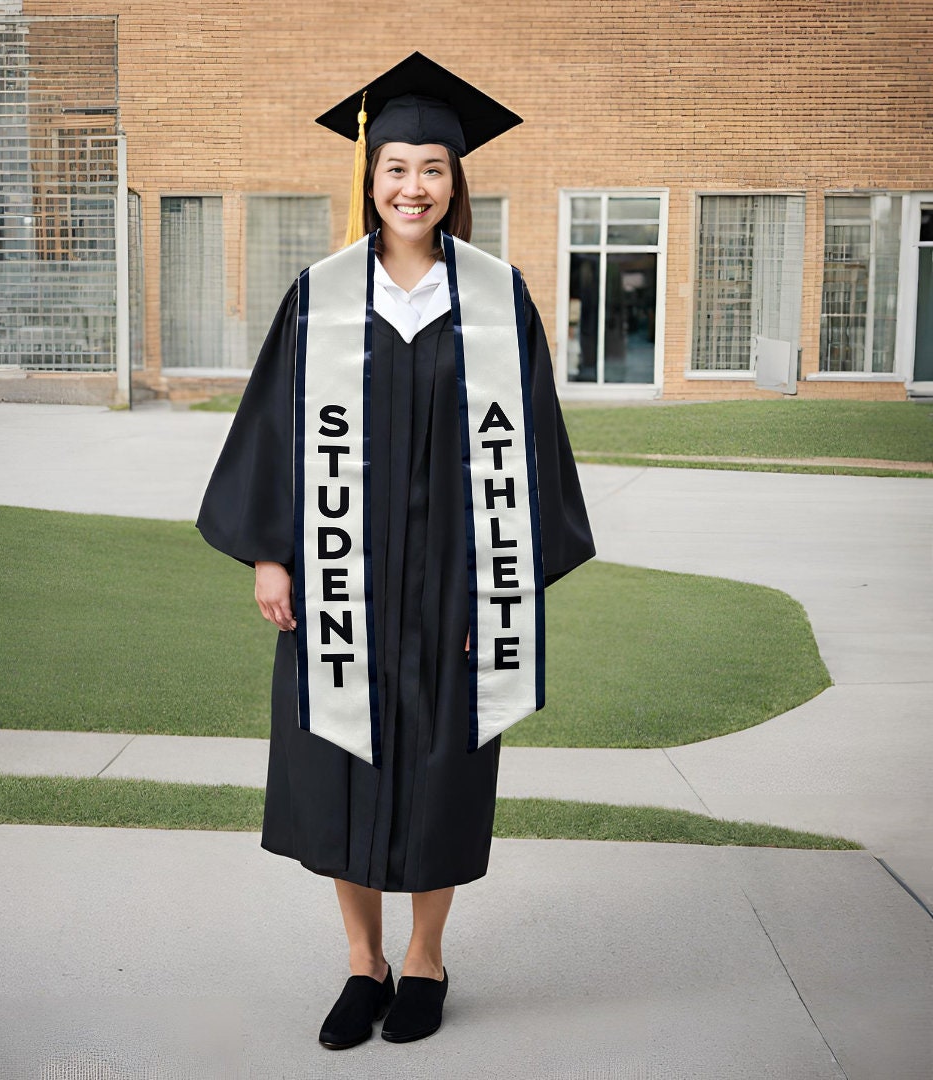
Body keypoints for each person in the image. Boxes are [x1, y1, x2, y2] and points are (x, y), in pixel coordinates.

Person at [197, 52, 594, 1049]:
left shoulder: (498, 299)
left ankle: (425, 959)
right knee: (341, 767)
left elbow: (537, 453)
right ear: (369, 178)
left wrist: (501, 595)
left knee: (442, 775)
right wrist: (270, 553)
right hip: (343, 583)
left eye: (432, 169)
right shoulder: (321, 295)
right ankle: (360, 963)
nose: (412, 187)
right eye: (395, 168)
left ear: (457, 183)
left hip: (458, 585)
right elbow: (273, 430)